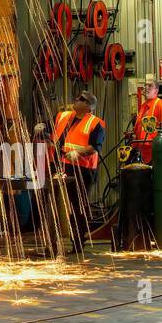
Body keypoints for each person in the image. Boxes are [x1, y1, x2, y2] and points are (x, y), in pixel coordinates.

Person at [48, 91, 106, 254]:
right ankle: (57, 241)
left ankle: (79, 241)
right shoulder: (64, 116)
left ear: (88, 107)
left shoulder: (96, 123)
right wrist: (42, 127)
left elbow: (95, 147)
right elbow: (49, 126)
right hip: (62, 165)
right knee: (61, 204)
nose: (76, 100)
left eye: (81, 99)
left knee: (78, 205)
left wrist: (77, 153)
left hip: (83, 169)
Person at [132, 75, 162, 165]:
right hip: (142, 154)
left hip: (156, 155)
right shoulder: (143, 107)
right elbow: (138, 129)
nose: (146, 88)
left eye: (150, 86)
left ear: (156, 90)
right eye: (146, 85)